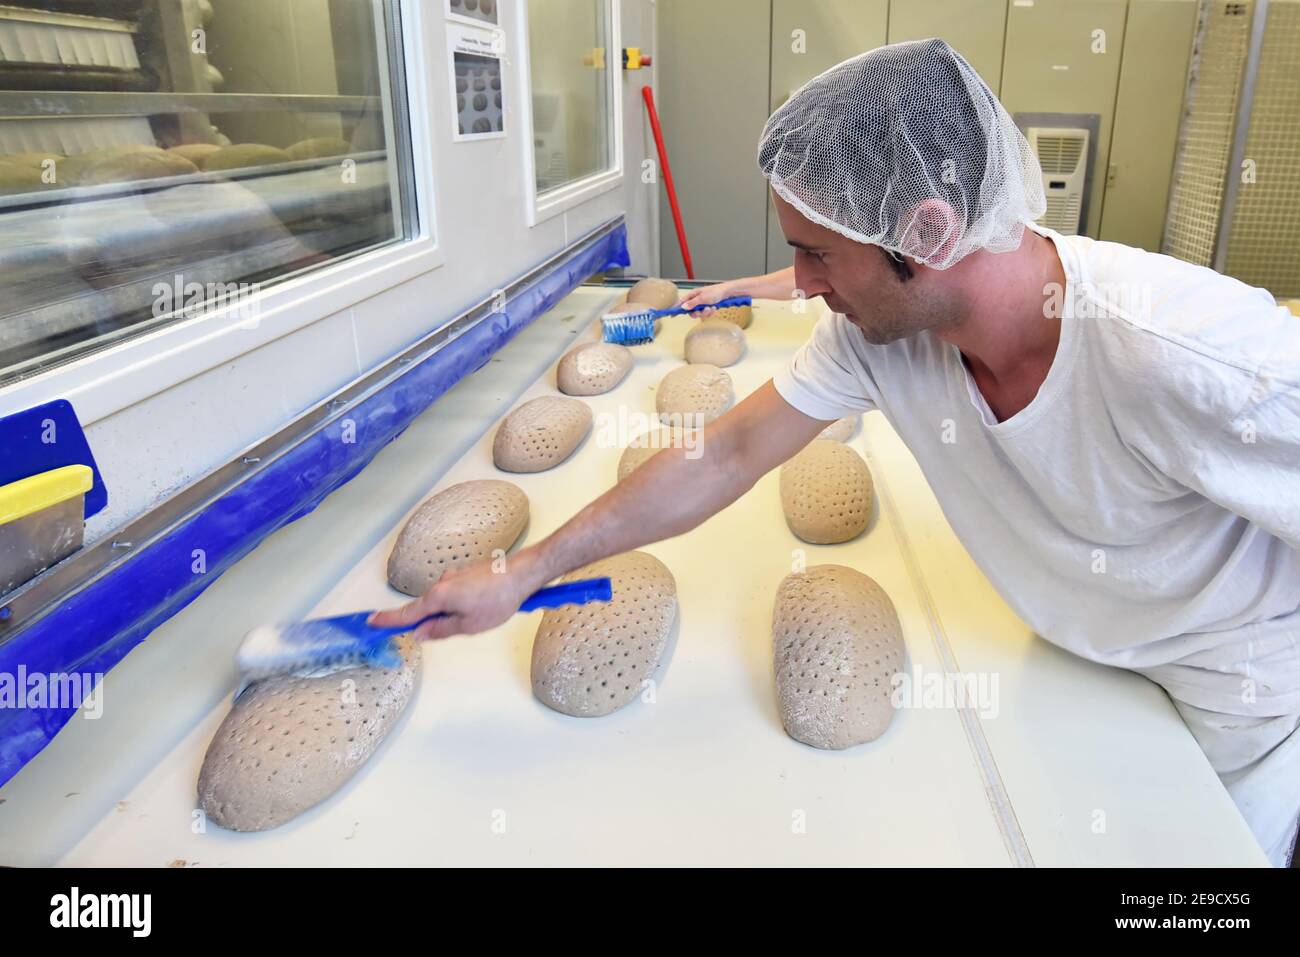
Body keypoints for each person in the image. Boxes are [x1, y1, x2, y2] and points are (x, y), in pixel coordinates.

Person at [373, 39, 1300, 866]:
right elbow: (727, 451)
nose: (802, 286)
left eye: (815, 254)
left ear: (928, 232)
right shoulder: (878, 335)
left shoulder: (1183, 352)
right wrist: (524, 570)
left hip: (1239, 711)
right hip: (1086, 669)